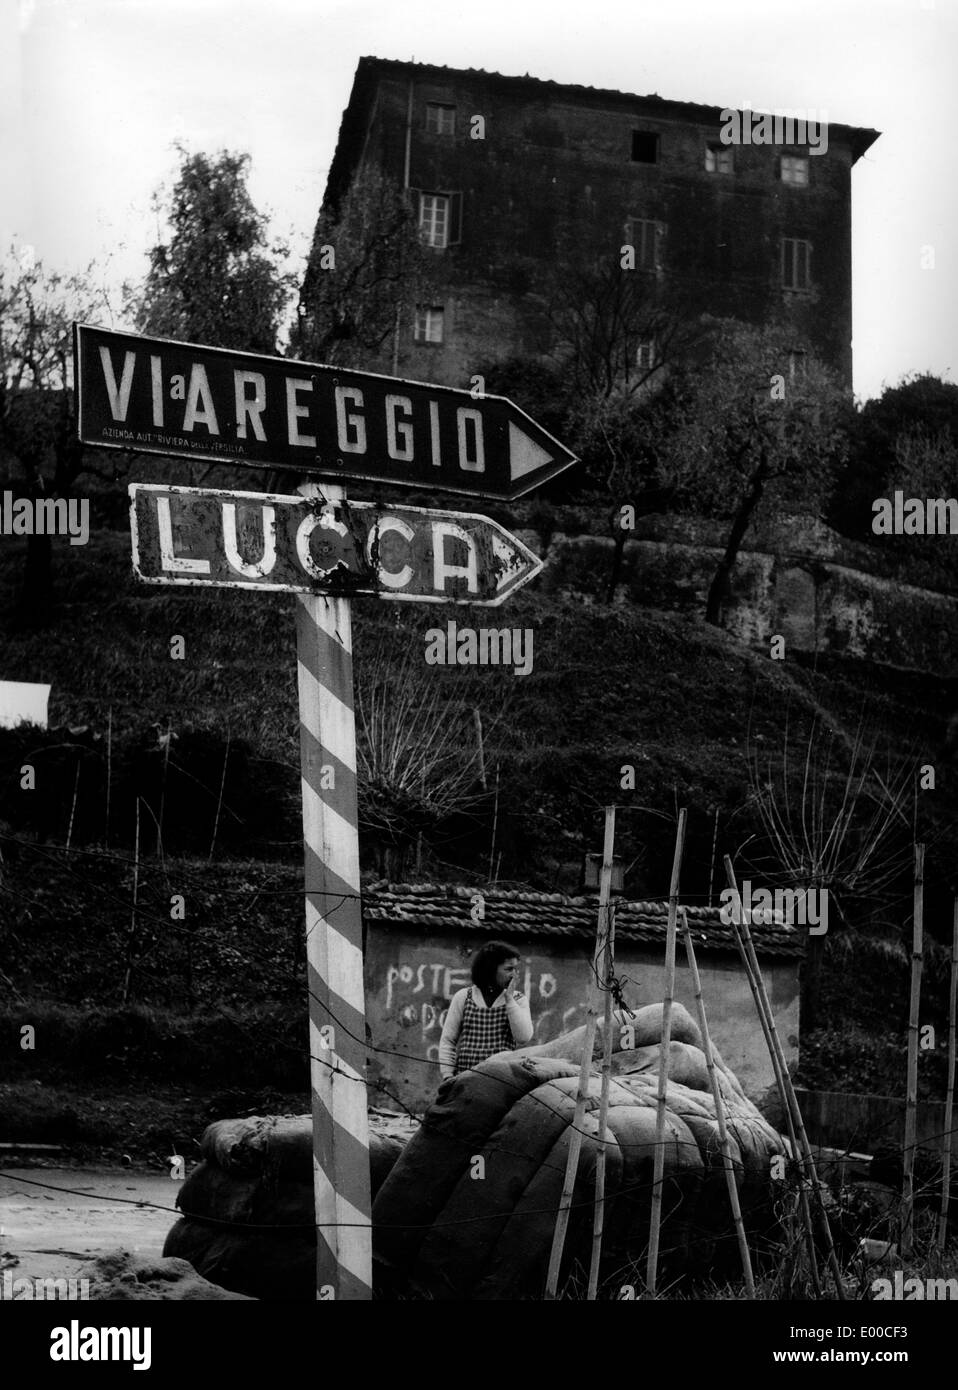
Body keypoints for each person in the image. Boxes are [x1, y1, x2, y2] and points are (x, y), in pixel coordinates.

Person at [438, 941, 534, 1080]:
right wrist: (448, 1075)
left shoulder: (518, 999)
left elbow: (523, 1037)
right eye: (508, 969)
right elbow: (448, 1041)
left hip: (502, 1081)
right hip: (466, 1078)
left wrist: (509, 999)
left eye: (515, 969)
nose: (514, 975)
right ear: (490, 970)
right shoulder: (464, 997)